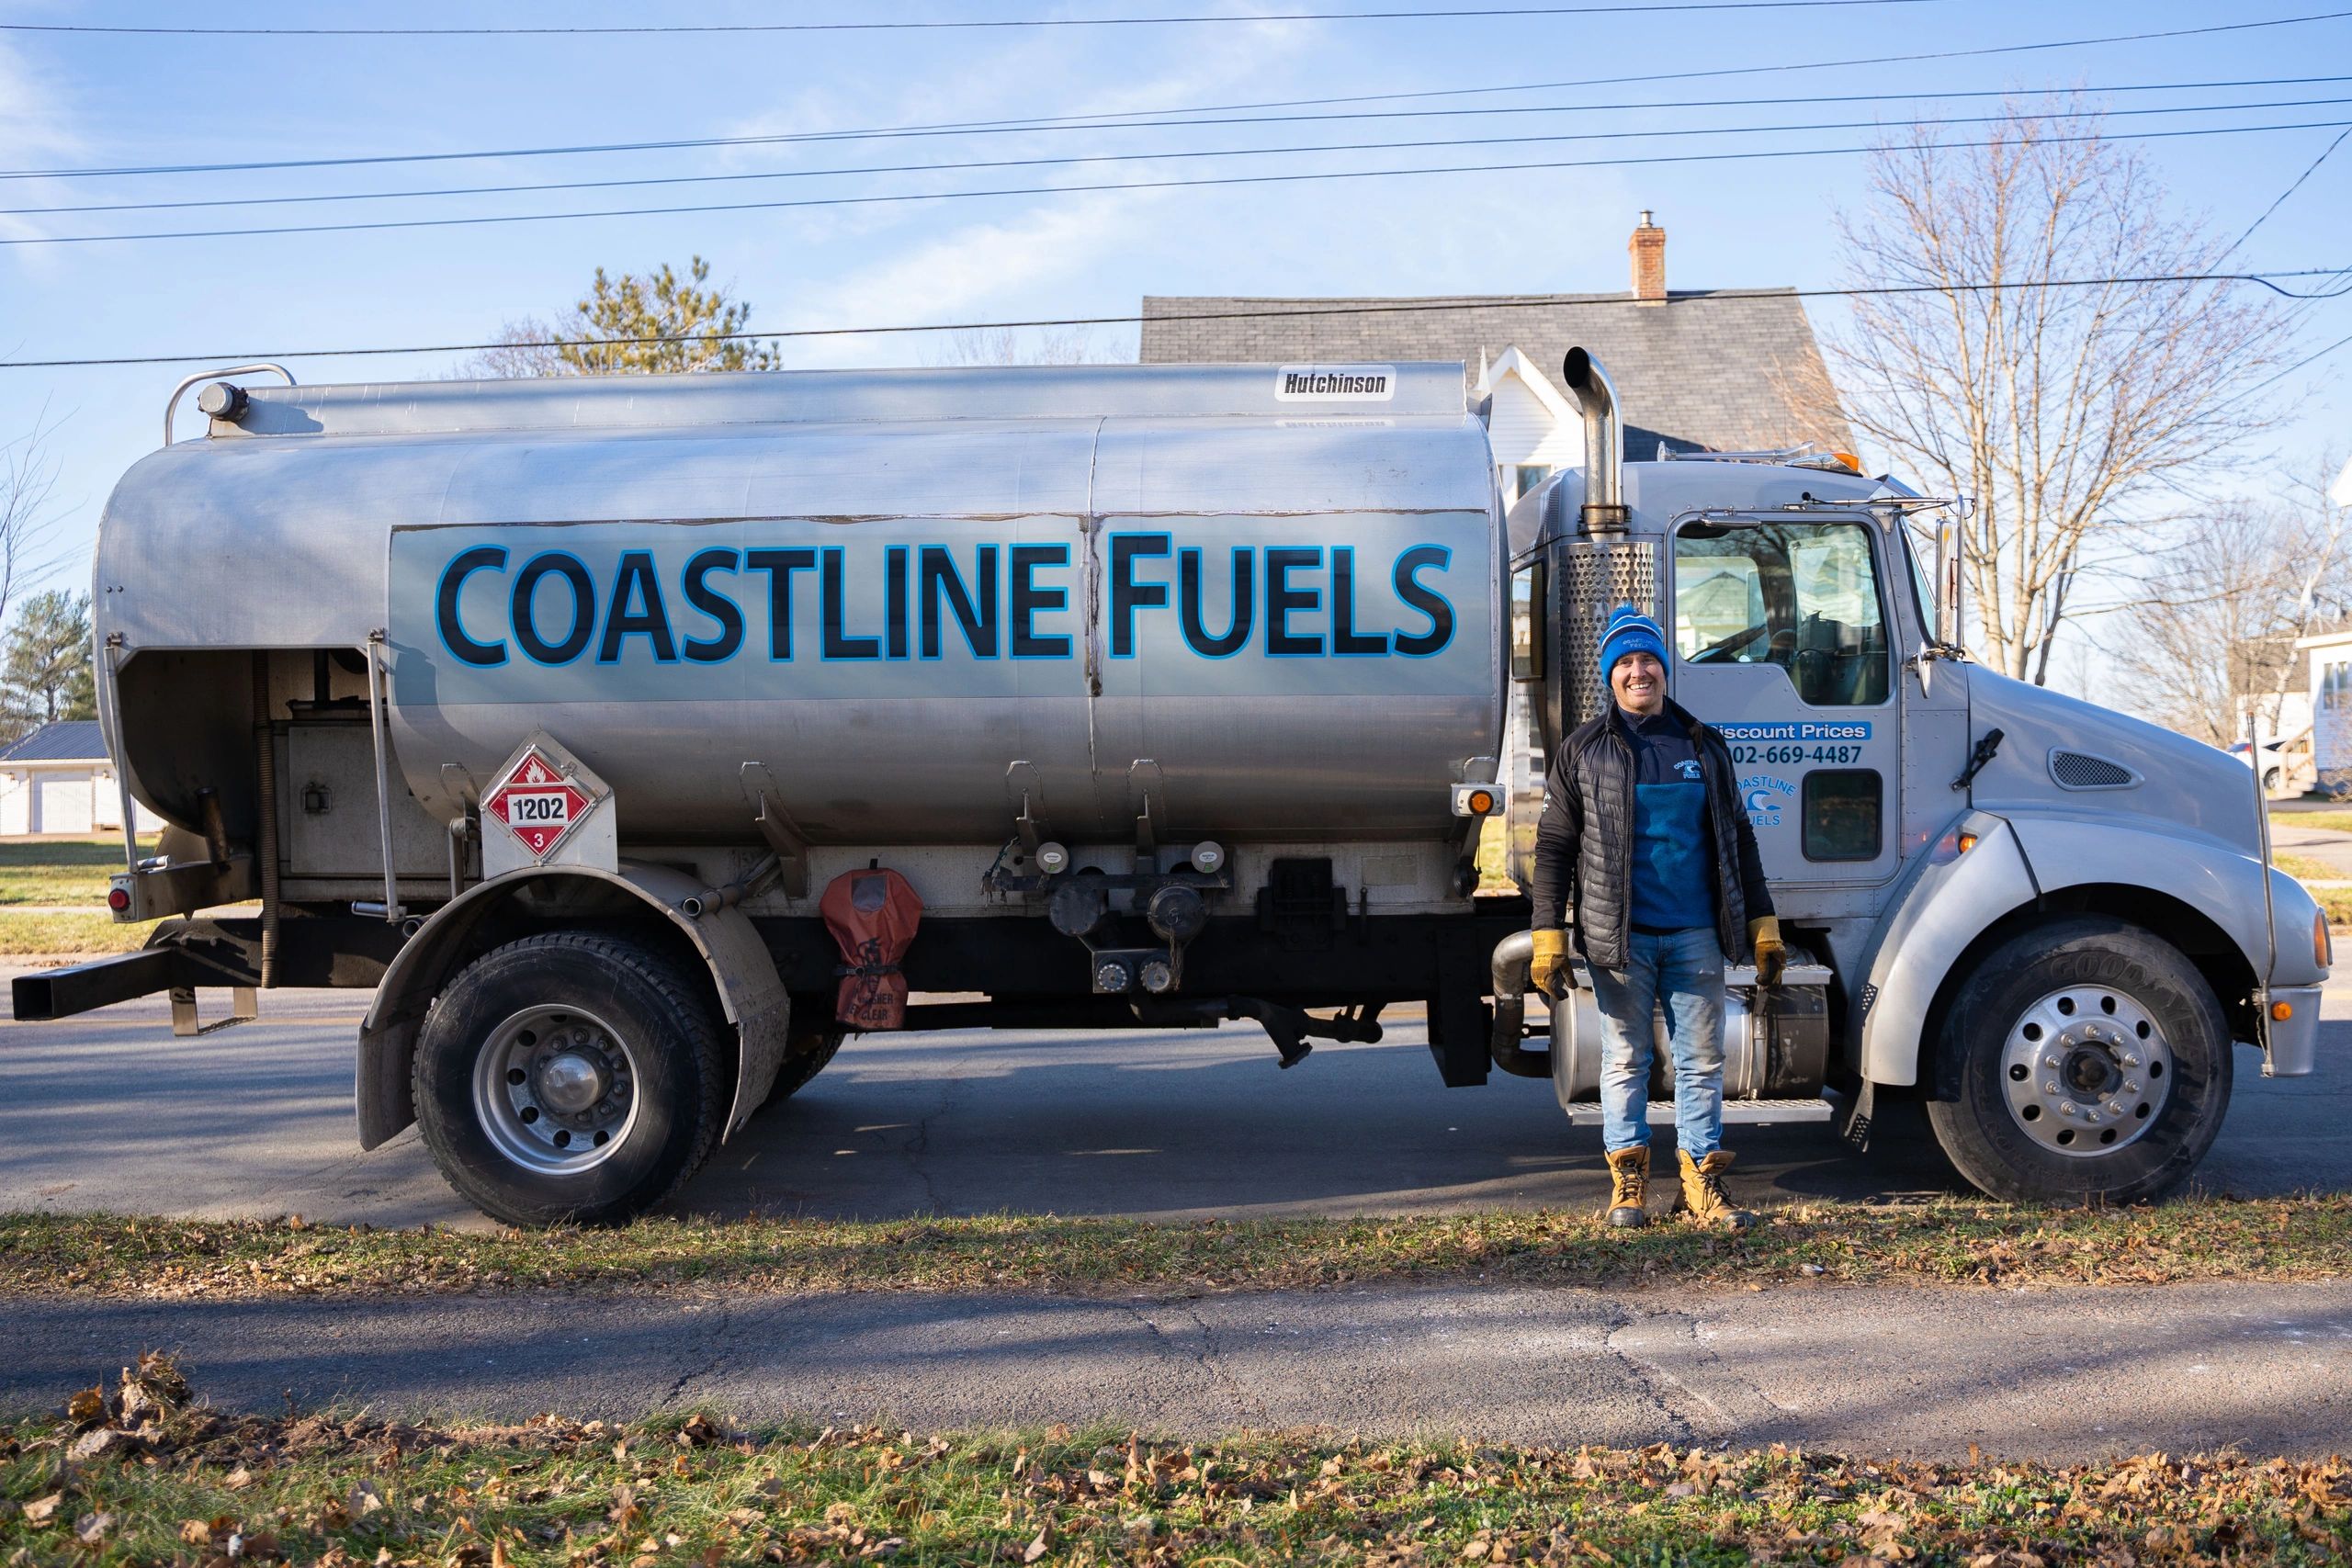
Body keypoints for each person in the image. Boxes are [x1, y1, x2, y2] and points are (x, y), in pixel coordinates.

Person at [1527, 604, 1783, 1229]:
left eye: (1647, 660)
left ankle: (1700, 1185)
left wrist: (1763, 922)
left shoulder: (1705, 745)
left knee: (1701, 1062)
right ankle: (1628, 1186)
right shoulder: (1584, 751)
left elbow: (1738, 840)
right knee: (1624, 1060)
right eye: (1625, 661)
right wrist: (1546, 934)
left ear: (1664, 671)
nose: (1638, 670)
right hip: (1620, 940)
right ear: (1608, 676)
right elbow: (1554, 846)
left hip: (1696, 931)